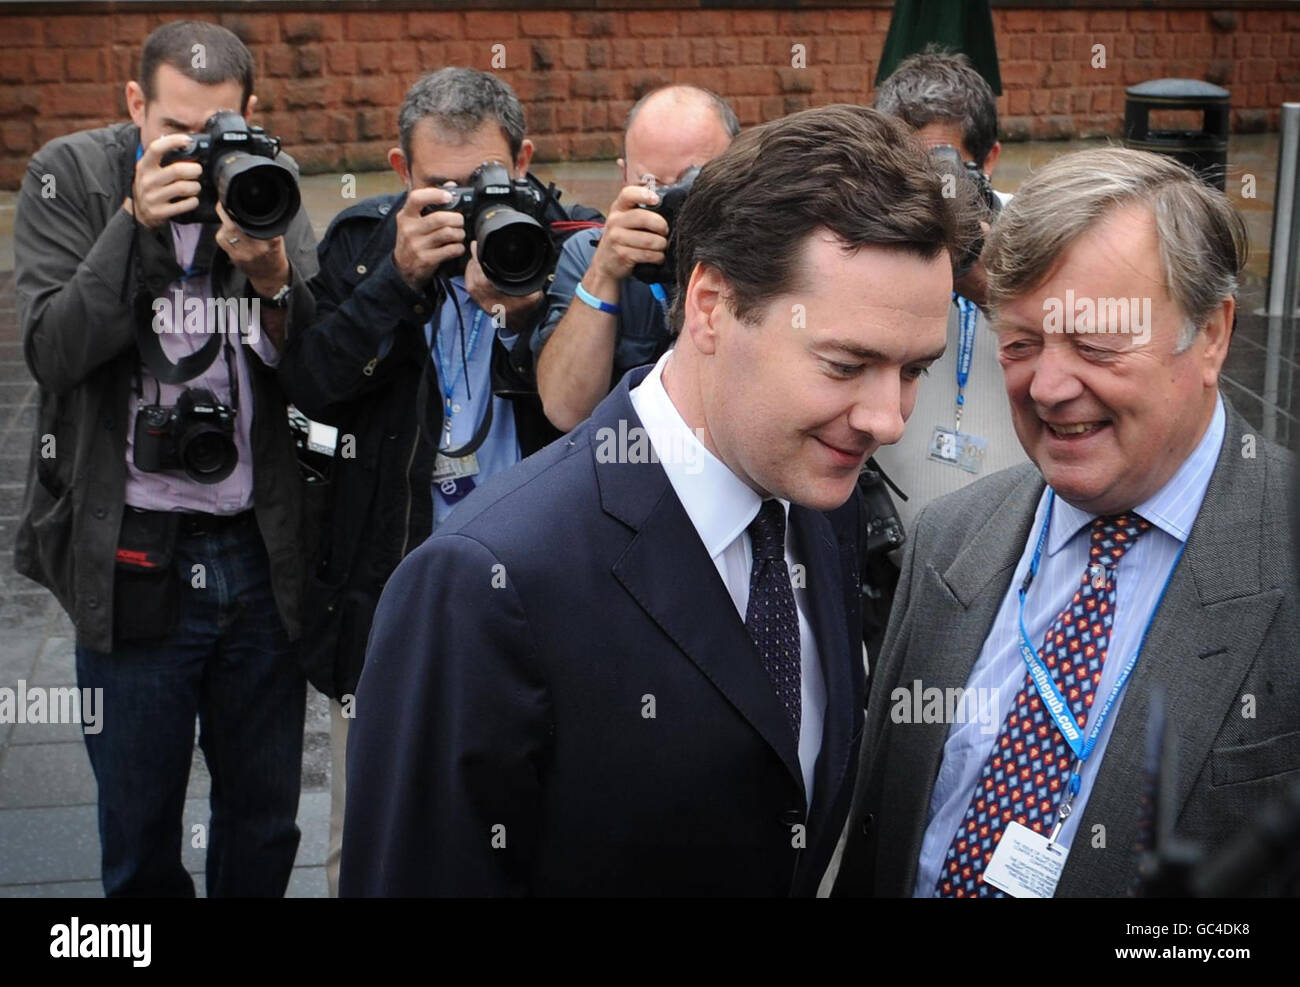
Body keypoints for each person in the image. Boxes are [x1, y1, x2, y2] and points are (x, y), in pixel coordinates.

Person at [340, 104, 964, 896]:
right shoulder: (484, 584)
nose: (888, 418)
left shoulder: (819, 497)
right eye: (845, 364)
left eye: (914, 369)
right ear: (709, 306)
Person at [835, 148, 1300, 898]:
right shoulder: (949, 540)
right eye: (1020, 344)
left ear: (1211, 335)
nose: (1048, 387)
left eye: (1095, 344)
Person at [276, 67, 600, 897]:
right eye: (439, 187)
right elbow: (312, 384)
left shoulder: (569, 240)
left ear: (524, 159)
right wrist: (396, 280)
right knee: (374, 840)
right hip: (395, 584)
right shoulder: (359, 240)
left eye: (486, 182)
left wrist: (523, 312)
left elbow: (590, 418)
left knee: (542, 829)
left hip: (540, 585)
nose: (465, 208)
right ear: (400, 168)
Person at [13, 20, 317, 896]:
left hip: (258, 555)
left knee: (265, 821)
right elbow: (53, 350)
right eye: (174, 130)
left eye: (216, 128)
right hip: (133, 551)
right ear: (134, 102)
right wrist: (129, 225)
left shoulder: (267, 175)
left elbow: (318, 367)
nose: (195, 151)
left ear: (250, 113)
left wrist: (271, 280)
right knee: (139, 829)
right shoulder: (68, 175)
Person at [871, 48, 1026, 535]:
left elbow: (1075, 342)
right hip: (885, 539)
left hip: (1012, 532)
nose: (925, 189)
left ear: (990, 160)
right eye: (906, 165)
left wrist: (978, 272)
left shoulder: (1038, 232)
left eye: (944, 168)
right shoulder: (865, 234)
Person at [534, 85, 737, 431]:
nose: (675, 201)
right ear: (624, 175)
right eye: (653, 183)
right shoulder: (590, 252)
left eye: (694, 181)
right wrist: (604, 273)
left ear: (737, 167)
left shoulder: (767, 247)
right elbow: (566, 410)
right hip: (626, 460)